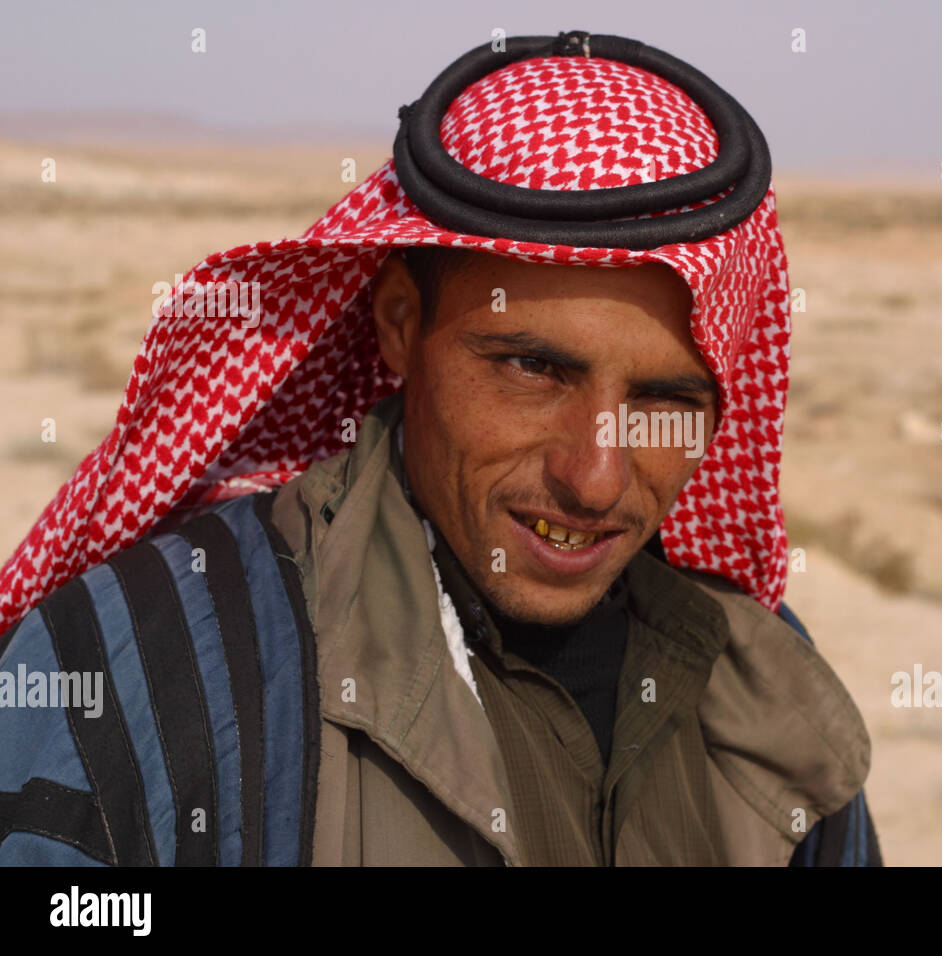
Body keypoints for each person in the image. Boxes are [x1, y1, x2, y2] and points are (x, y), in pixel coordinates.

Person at [0, 31, 879, 866]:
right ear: (398, 327)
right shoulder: (142, 668)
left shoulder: (763, 697)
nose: (597, 478)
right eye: (534, 369)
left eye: (663, 399)